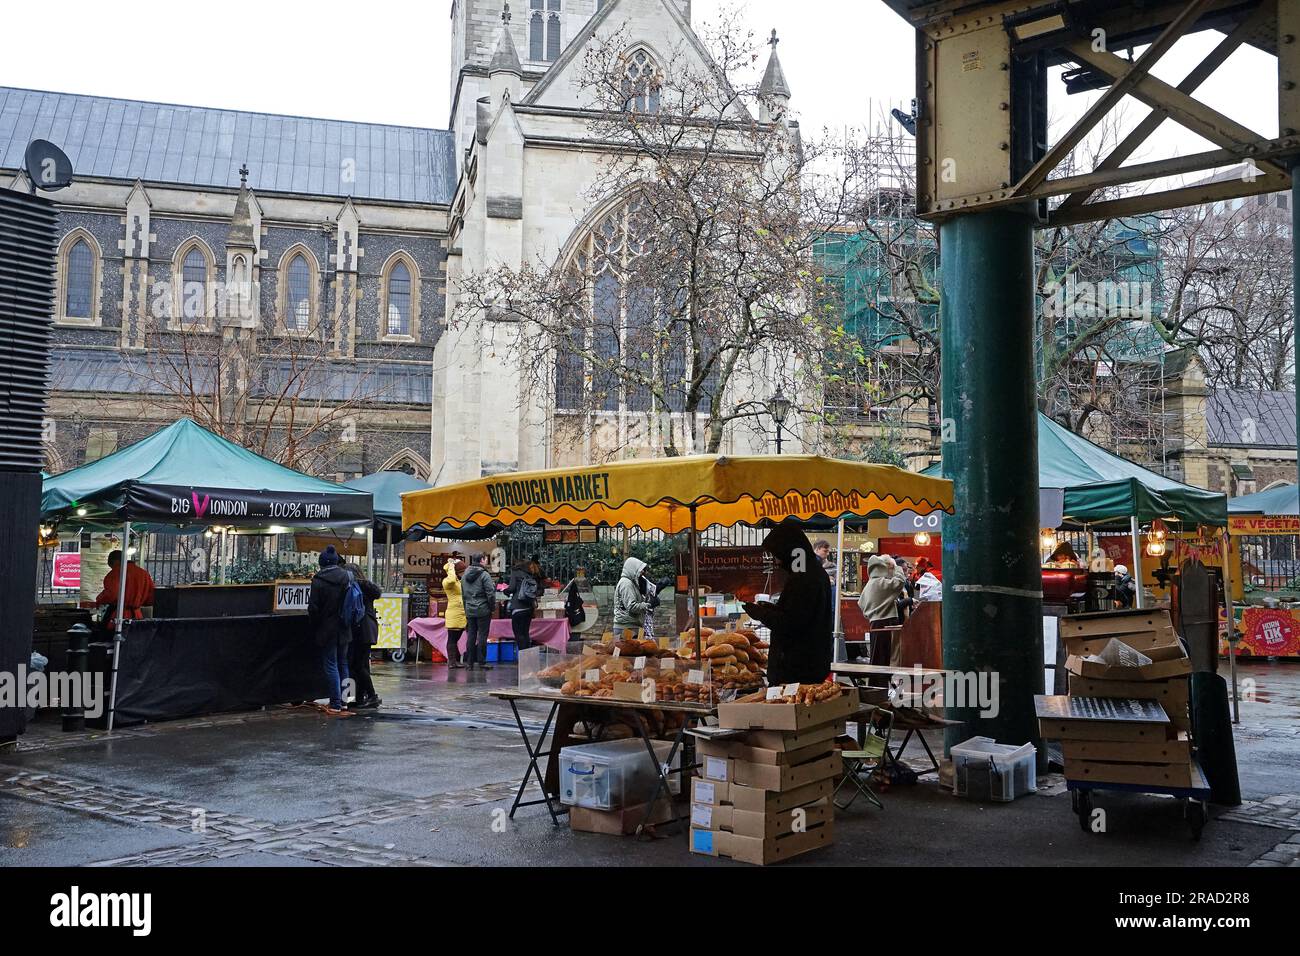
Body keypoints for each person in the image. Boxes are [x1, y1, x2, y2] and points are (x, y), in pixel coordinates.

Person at [742, 521, 833, 685]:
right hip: (809, 664)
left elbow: (791, 623)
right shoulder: (811, 572)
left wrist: (761, 614)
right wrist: (772, 609)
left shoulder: (804, 578)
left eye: (778, 554)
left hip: (797, 671)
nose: (777, 561)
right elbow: (797, 612)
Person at [307, 545, 353, 716]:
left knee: (331, 665)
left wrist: (315, 625)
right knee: (344, 663)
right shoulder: (348, 577)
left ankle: (335, 704)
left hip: (327, 629)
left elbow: (313, 608)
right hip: (345, 627)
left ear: (322, 563)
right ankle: (346, 701)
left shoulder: (318, 581)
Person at [858, 555, 907, 676]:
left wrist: (872, 612)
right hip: (886, 623)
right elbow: (900, 581)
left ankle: (877, 688)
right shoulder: (881, 583)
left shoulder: (871, 584)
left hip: (875, 623)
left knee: (878, 658)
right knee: (885, 661)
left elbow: (860, 603)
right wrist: (897, 567)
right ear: (886, 568)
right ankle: (881, 688)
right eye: (891, 568)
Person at [346, 563, 383, 709]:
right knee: (360, 665)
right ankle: (359, 698)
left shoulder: (354, 587)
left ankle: (371, 696)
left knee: (357, 665)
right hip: (368, 629)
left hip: (361, 630)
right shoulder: (366, 586)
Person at [95, 549, 156, 630]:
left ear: (115, 561)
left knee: (107, 639)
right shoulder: (144, 574)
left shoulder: (115, 573)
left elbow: (112, 594)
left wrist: (99, 599)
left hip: (118, 617)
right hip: (138, 617)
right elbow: (151, 598)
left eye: (111, 566)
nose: (112, 568)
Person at [461, 553, 497, 670]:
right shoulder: (484, 575)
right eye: (486, 559)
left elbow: (463, 593)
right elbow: (490, 593)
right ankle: (482, 662)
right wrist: (491, 607)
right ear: (482, 560)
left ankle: (469, 663)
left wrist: (466, 607)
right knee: (482, 635)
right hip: (483, 609)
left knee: (471, 635)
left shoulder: (465, 574)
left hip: (469, 609)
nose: (486, 561)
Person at [505, 559, 542, 651]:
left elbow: (512, 588)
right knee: (525, 633)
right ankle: (527, 657)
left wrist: (505, 591)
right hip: (529, 607)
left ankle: (523, 657)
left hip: (518, 607)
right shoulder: (530, 574)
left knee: (518, 634)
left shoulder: (515, 572)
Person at [613, 557, 653, 635]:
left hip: (630, 625)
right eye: (640, 570)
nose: (642, 572)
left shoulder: (632, 583)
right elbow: (631, 606)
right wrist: (648, 605)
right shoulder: (626, 584)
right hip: (626, 627)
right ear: (632, 569)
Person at [442, 558, 468, 669]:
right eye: (462, 571)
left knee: (456, 639)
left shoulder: (459, 581)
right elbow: (452, 579)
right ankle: (452, 662)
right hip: (454, 613)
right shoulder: (447, 581)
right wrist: (451, 566)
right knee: (452, 638)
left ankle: (454, 661)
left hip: (461, 613)